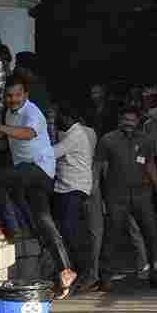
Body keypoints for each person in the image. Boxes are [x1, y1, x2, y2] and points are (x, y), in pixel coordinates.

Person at [0, 76, 77, 297]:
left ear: (25, 95)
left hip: (38, 169)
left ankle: (2, 225)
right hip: (30, 173)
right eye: (9, 96)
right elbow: (6, 143)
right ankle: (65, 269)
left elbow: (28, 134)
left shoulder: (32, 112)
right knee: (44, 220)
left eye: (18, 95)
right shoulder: (10, 114)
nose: (13, 99)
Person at [96, 105, 157, 287]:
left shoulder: (146, 140)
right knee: (112, 236)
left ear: (138, 122)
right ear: (120, 121)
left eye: (132, 120)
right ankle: (105, 278)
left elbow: (150, 166)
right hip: (116, 195)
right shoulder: (108, 140)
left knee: (151, 234)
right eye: (125, 120)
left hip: (142, 194)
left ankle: (156, 274)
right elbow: (99, 169)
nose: (128, 123)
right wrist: (98, 195)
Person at [51, 103, 96, 290]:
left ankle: (81, 271)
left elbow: (52, 153)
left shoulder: (75, 136)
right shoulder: (84, 132)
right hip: (71, 187)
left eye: (57, 118)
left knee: (71, 231)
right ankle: (78, 271)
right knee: (71, 230)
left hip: (72, 188)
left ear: (67, 118)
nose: (55, 122)